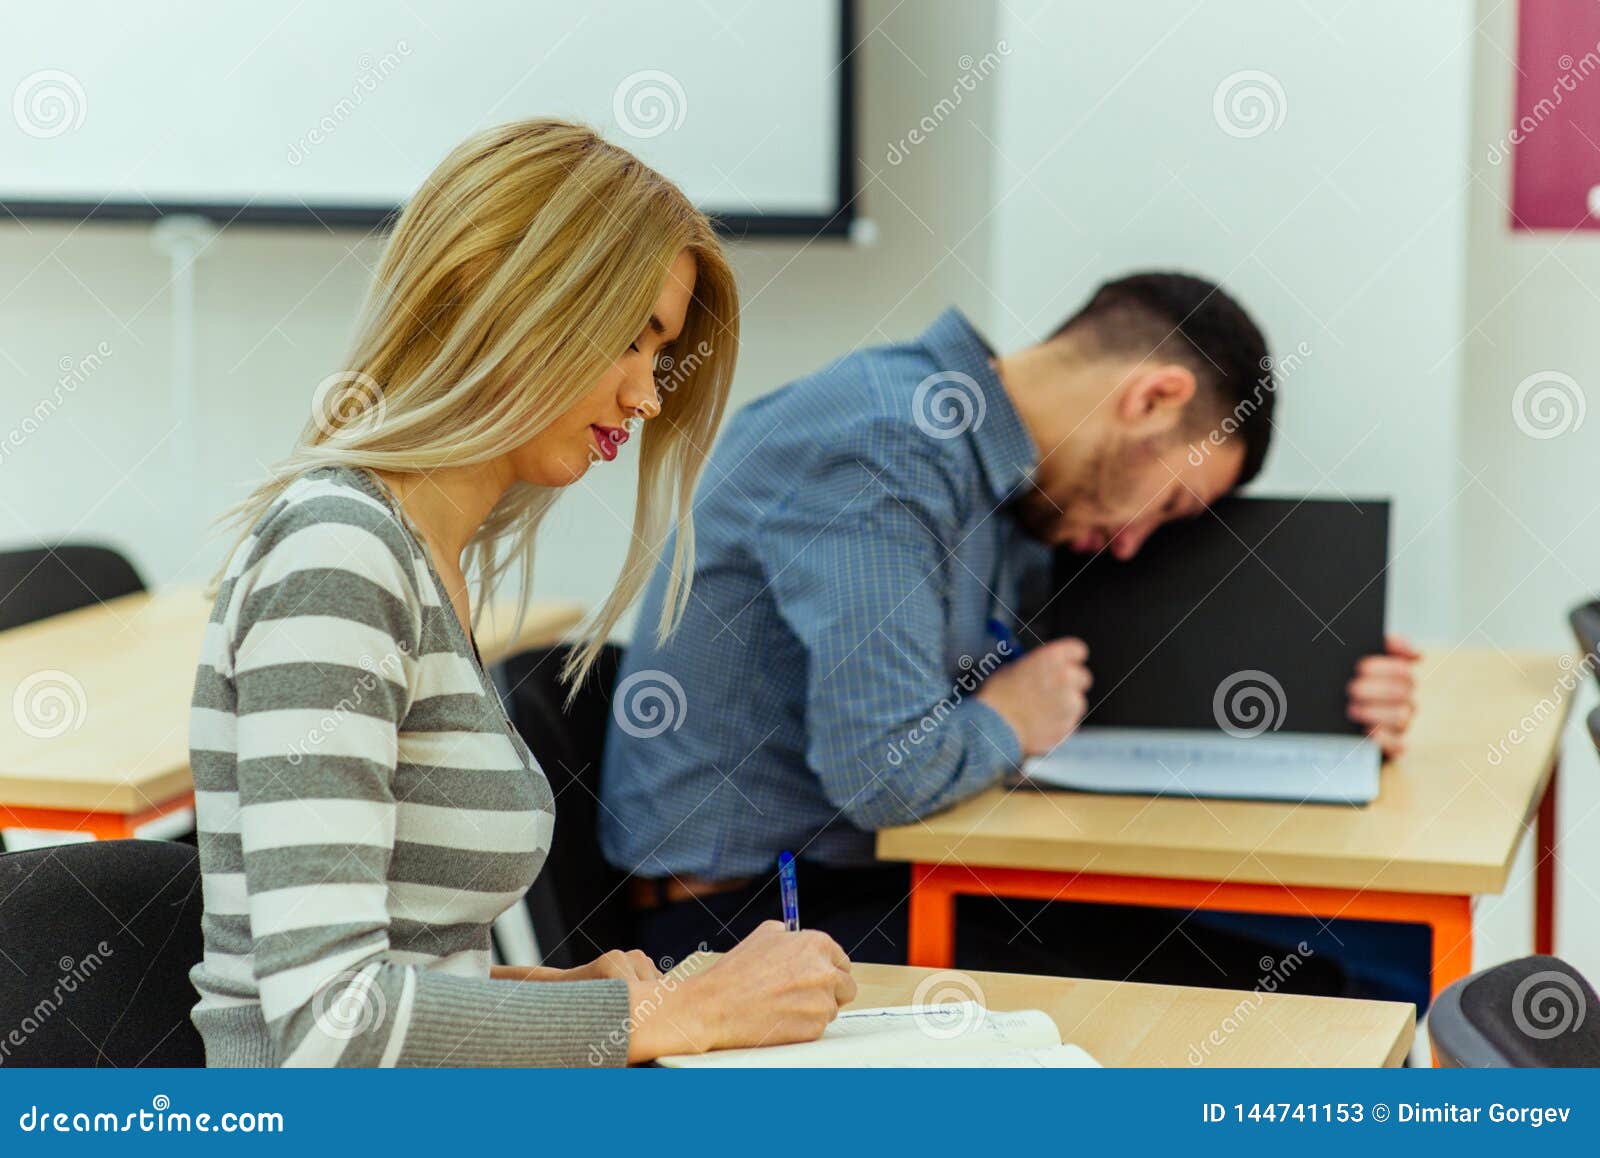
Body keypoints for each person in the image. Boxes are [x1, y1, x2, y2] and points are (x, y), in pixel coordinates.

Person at [187, 118, 854, 1068]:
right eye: (631, 340)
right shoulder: (338, 558)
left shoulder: (426, 560)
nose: (649, 398)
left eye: (660, 356)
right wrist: (675, 1018)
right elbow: (332, 1032)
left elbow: (397, 965)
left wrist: (554, 997)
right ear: (495, 299)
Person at [599, 273, 1421, 1002]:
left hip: (881, 879)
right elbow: (882, 772)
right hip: (745, 928)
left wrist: (1329, 687)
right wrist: (1009, 720)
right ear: (1152, 398)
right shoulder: (887, 445)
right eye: (1168, 506)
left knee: (1372, 955)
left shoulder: (1000, 470)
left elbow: (1107, 655)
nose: (1136, 542)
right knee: (1332, 988)